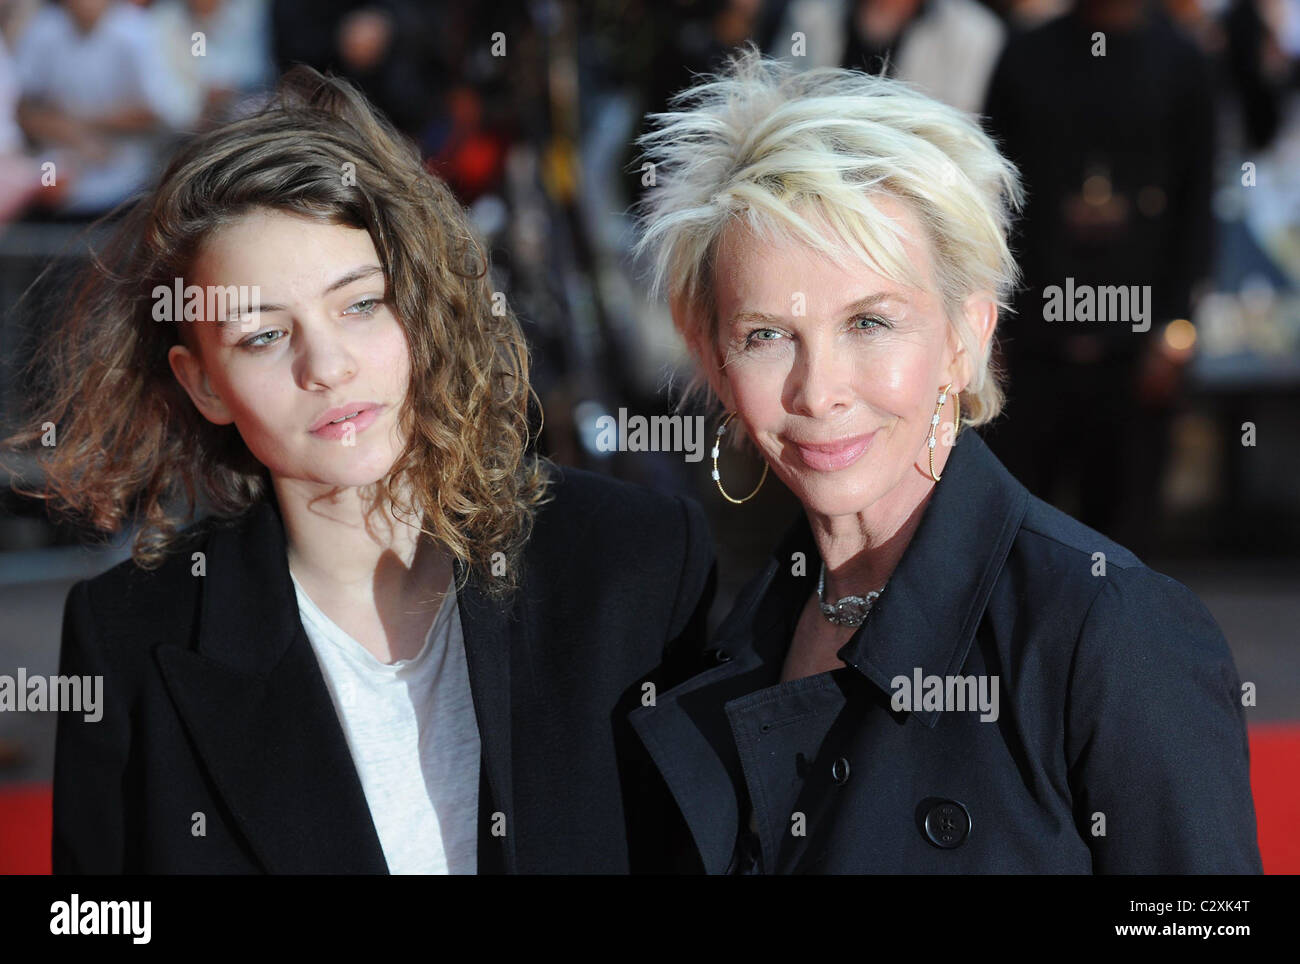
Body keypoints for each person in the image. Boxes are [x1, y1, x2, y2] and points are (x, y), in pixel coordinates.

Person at [5, 66, 713, 873]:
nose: (327, 367)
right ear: (204, 382)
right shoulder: (130, 635)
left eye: (359, 304)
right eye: (264, 336)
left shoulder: (632, 562)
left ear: (416, 306)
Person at [629, 45, 1261, 874]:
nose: (818, 393)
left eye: (870, 323)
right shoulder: (733, 635)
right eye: (768, 335)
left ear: (967, 337)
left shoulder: (1109, 633)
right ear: (714, 361)